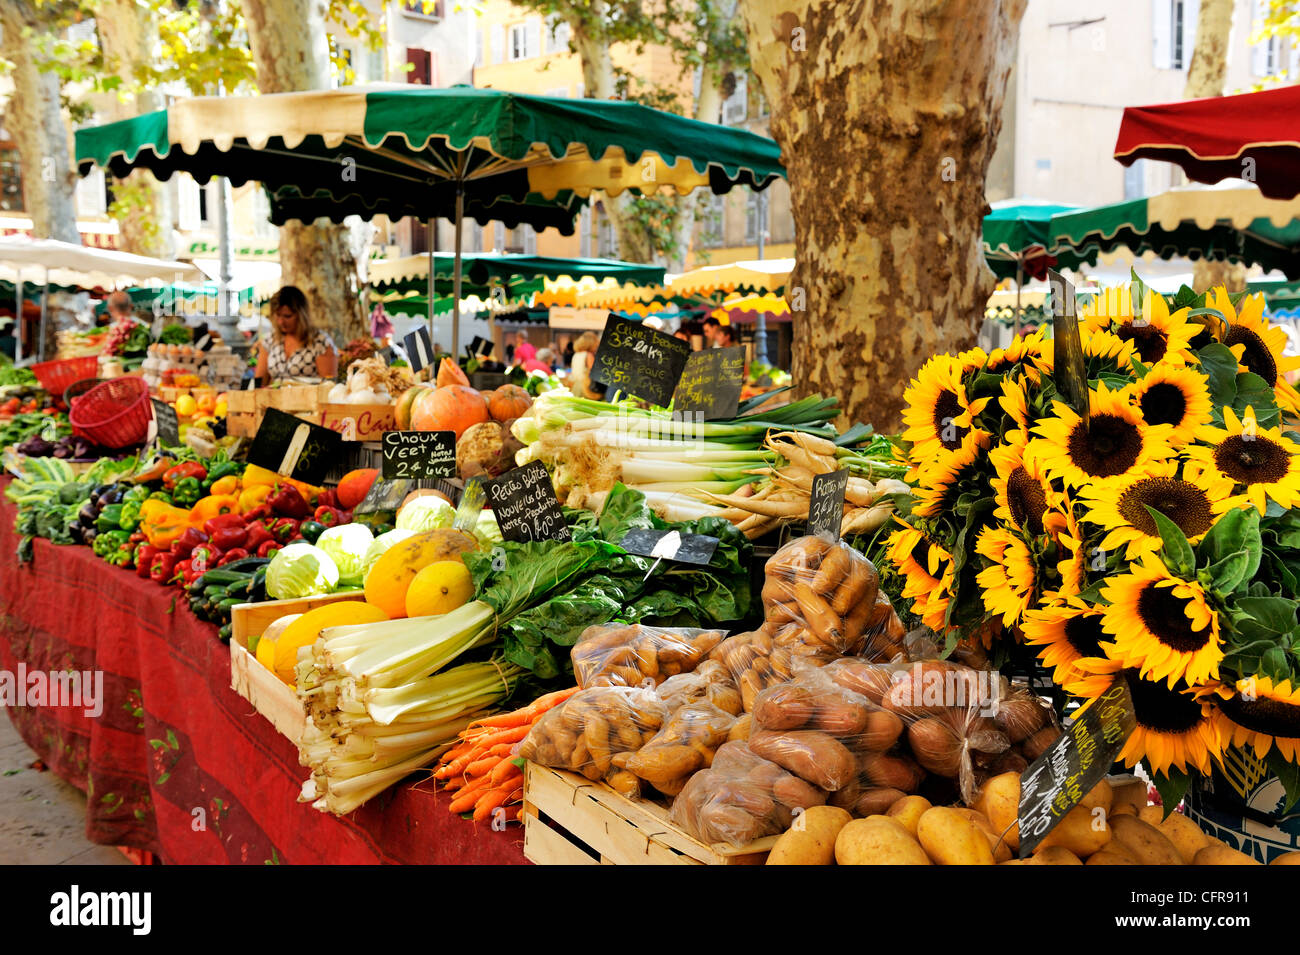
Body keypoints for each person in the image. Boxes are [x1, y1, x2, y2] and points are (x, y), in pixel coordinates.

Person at [255, 286, 338, 383]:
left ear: (301, 315)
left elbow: (329, 385)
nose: (281, 322)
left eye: (287, 316)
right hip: (274, 397)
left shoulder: (321, 342)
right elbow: (259, 382)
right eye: (278, 315)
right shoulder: (270, 340)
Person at [568, 331, 604, 399]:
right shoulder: (588, 355)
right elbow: (595, 372)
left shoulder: (576, 354)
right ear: (591, 343)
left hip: (576, 385)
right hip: (585, 388)